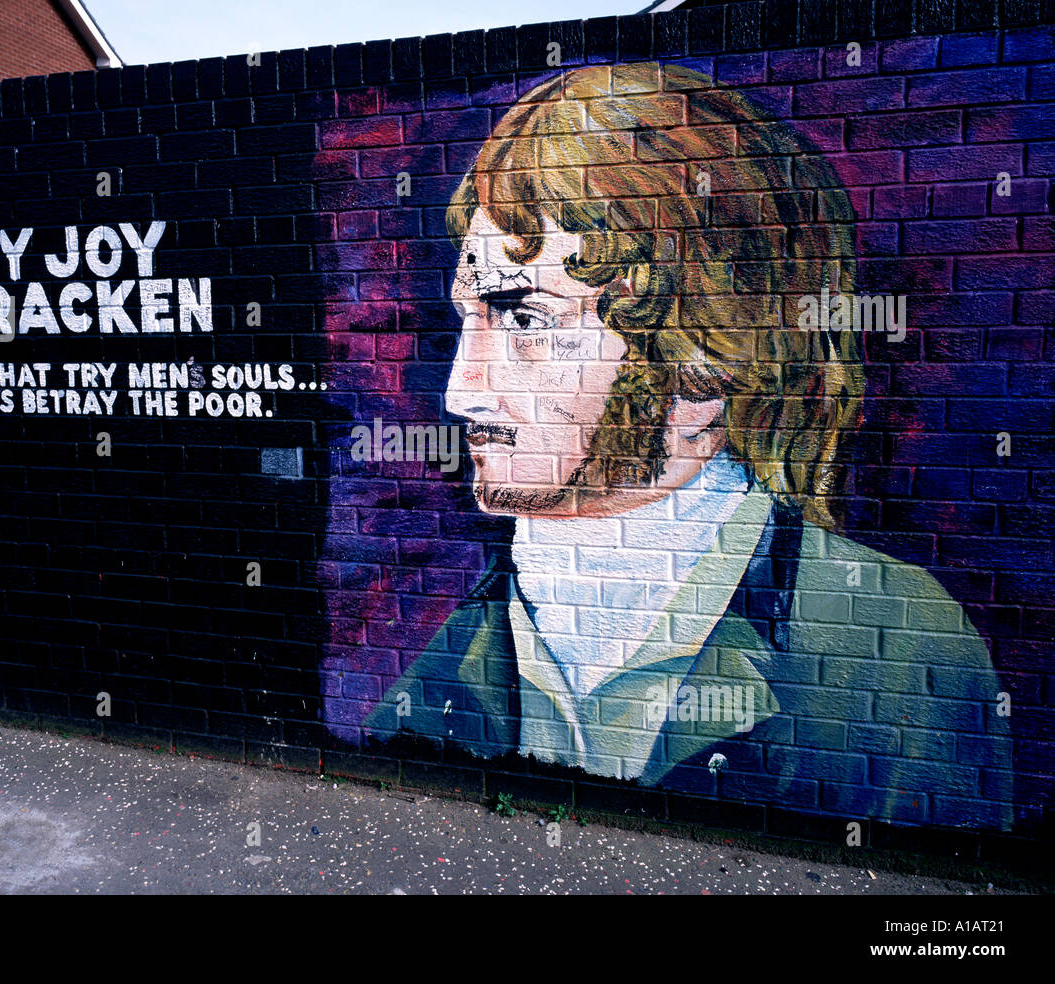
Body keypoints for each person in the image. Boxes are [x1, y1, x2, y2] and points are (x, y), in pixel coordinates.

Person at [363, 62, 1012, 830]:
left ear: (700, 365)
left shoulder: (898, 659)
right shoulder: (441, 675)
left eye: (525, 321)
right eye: (471, 318)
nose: (460, 391)